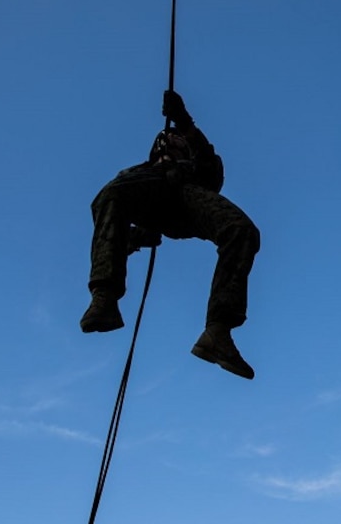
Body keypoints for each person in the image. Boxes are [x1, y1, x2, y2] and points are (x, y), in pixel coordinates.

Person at [81, 90, 260, 380]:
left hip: (186, 196)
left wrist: (183, 120)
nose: (172, 140)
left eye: (178, 139)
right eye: (167, 139)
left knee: (240, 230)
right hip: (155, 199)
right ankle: (104, 298)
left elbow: (210, 167)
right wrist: (133, 238)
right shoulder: (136, 176)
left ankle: (218, 331)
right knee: (111, 194)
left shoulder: (199, 164)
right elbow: (108, 211)